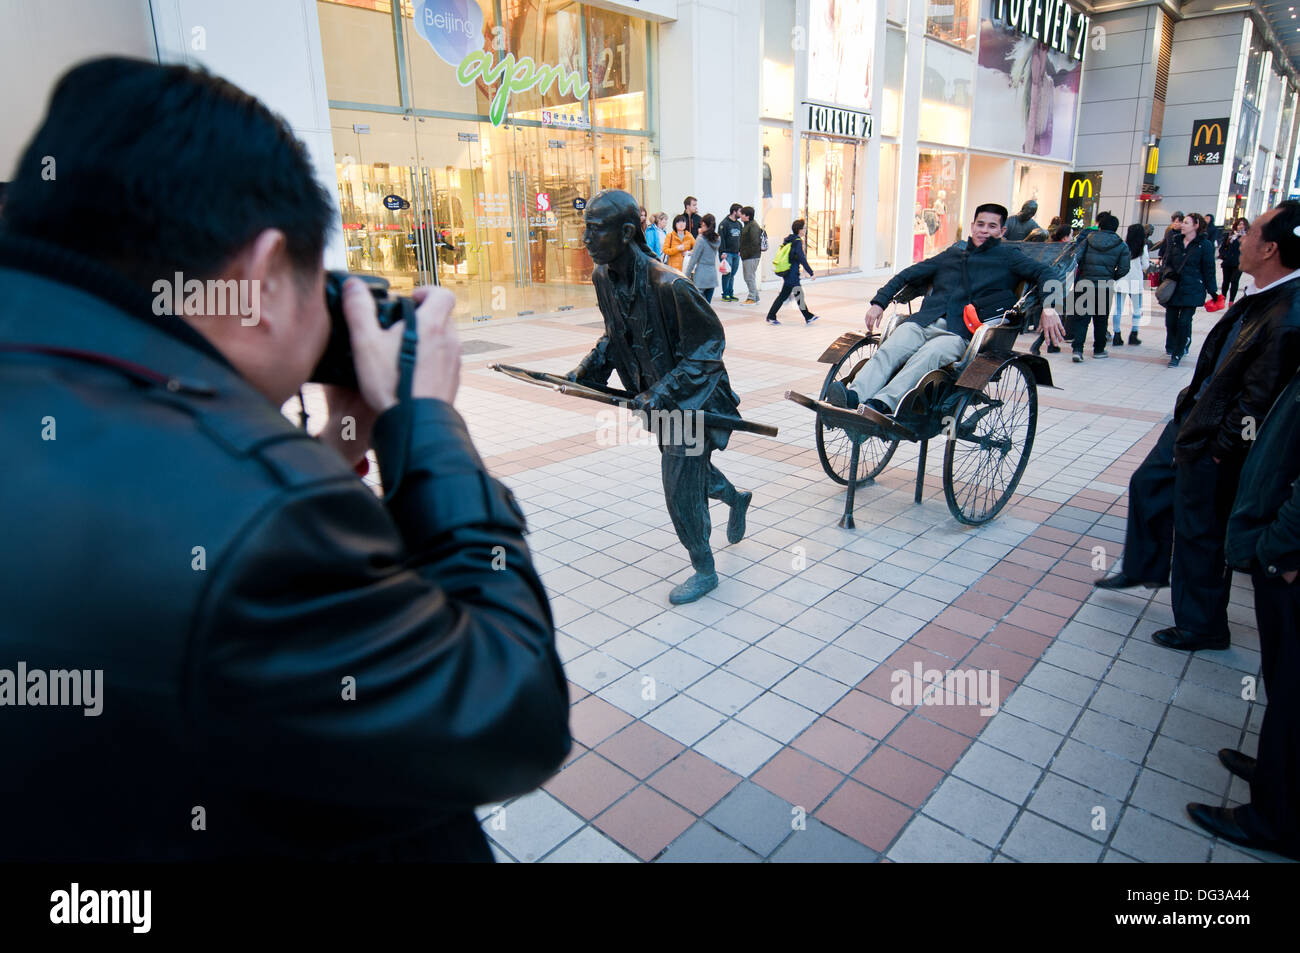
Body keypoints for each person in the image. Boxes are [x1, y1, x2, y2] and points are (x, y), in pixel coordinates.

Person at [0, 57, 569, 862]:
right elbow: (514, 712)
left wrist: (334, 447)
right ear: (263, 275)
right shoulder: (265, 518)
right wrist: (427, 423)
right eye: (315, 281)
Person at [1096, 202, 1300, 654]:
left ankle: (1202, 625)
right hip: (1195, 419)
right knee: (1148, 483)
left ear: (1270, 248)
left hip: (1215, 440)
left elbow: (1259, 404)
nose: (1239, 238)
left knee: (1199, 531)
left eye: (1251, 233)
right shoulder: (1266, 294)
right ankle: (1145, 565)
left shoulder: (1288, 314)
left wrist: (1220, 451)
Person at [567, 190, 752, 605]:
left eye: (595, 230)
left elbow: (708, 351)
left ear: (627, 232)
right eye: (586, 230)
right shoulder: (603, 278)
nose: (586, 239)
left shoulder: (670, 285)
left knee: (678, 486)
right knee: (691, 474)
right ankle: (736, 499)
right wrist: (586, 372)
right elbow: (616, 335)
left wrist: (661, 392)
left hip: (695, 402)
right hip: (658, 401)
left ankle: (705, 568)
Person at [827, 204, 1066, 421]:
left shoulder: (1009, 257)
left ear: (1002, 232)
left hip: (960, 333)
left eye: (992, 226)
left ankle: (883, 404)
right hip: (924, 321)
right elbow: (908, 274)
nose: (984, 230)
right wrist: (879, 302)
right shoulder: (952, 254)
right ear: (972, 226)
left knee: (929, 355)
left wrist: (1049, 307)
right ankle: (853, 395)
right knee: (892, 346)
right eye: (980, 224)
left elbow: (1048, 274)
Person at [1204, 358, 1300, 860]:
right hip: (1279, 540)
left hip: (1288, 552)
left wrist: (1281, 549)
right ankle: (1274, 770)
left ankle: (1277, 820)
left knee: (1294, 690)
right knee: (1284, 681)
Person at [1160, 212, 1220, 366]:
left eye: (1186, 223)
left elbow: (1209, 270)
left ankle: (1177, 354)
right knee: (1171, 321)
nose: (1182, 225)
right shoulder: (1175, 242)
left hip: (1193, 289)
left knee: (1184, 322)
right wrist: (1168, 273)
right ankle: (1179, 342)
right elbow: (1167, 262)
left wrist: (1213, 292)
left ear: (1196, 226)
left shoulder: (1204, 245)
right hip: (1175, 288)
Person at [1069, 210, 1129, 362]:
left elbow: (1077, 257)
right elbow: (1124, 268)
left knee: (1082, 318)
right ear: (1116, 228)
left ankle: (1077, 350)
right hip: (1105, 286)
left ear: (1100, 226)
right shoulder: (1121, 245)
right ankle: (1099, 349)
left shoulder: (1088, 239)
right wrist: (1112, 277)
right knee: (1101, 319)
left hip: (1085, 282)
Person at [765, 218, 817, 326]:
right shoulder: (797, 241)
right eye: (804, 228)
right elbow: (801, 258)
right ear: (799, 230)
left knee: (787, 295)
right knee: (796, 295)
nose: (805, 230)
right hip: (792, 273)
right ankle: (807, 316)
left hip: (788, 272)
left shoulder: (789, 239)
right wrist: (811, 272)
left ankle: (807, 316)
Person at [1111, 223, 1150, 347]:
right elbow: (1146, 266)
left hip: (1121, 279)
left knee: (1118, 309)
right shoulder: (1143, 247)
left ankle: (1117, 335)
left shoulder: (1122, 246)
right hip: (1135, 281)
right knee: (1137, 309)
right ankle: (1134, 334)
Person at [684, 212, 722, 303]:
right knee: (708, 305)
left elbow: (694, 259)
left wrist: (686, 275)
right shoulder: (717, 238)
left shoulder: (701, 239)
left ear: (704, 224)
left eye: (701, 225)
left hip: (701, 275)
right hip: (712, 275)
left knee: (699, 306)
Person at [717, 204, 744, 302]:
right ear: (734, 211)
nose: (741, 214)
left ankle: (730, 293)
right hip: (727, 253)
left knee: (732, 274)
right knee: (726, 274)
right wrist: (723, 252)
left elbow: (741, 239)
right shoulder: (724, 224)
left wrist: (740, 250)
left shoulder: (739, 224)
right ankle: (725, 294)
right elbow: (721, 239)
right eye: (740, 212)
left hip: (736, 254)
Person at [1220, 217, 1247, 303]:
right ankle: (1222, 299)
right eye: (1239, 224)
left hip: (1239, 263)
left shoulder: (1247, 237)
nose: (1241, 226)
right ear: (1236, 226)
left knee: (1234, 281)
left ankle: (1231, 300)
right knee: (1226, 282)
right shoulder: (1230, 235)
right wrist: (1225, 256)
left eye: (1243, 224)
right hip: (1228, 263)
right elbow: (1222, 248)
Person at [739, 206, 762, 305]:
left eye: (742, 213)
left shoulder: (753, 226)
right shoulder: (748, 225)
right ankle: (755, 297)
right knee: (749, 276)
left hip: (751, 256)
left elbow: (755, 242)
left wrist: (746, 253)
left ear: (747, 216)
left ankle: (751, 298)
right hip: (748, 256)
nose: (740, 215)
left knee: (749, 277)